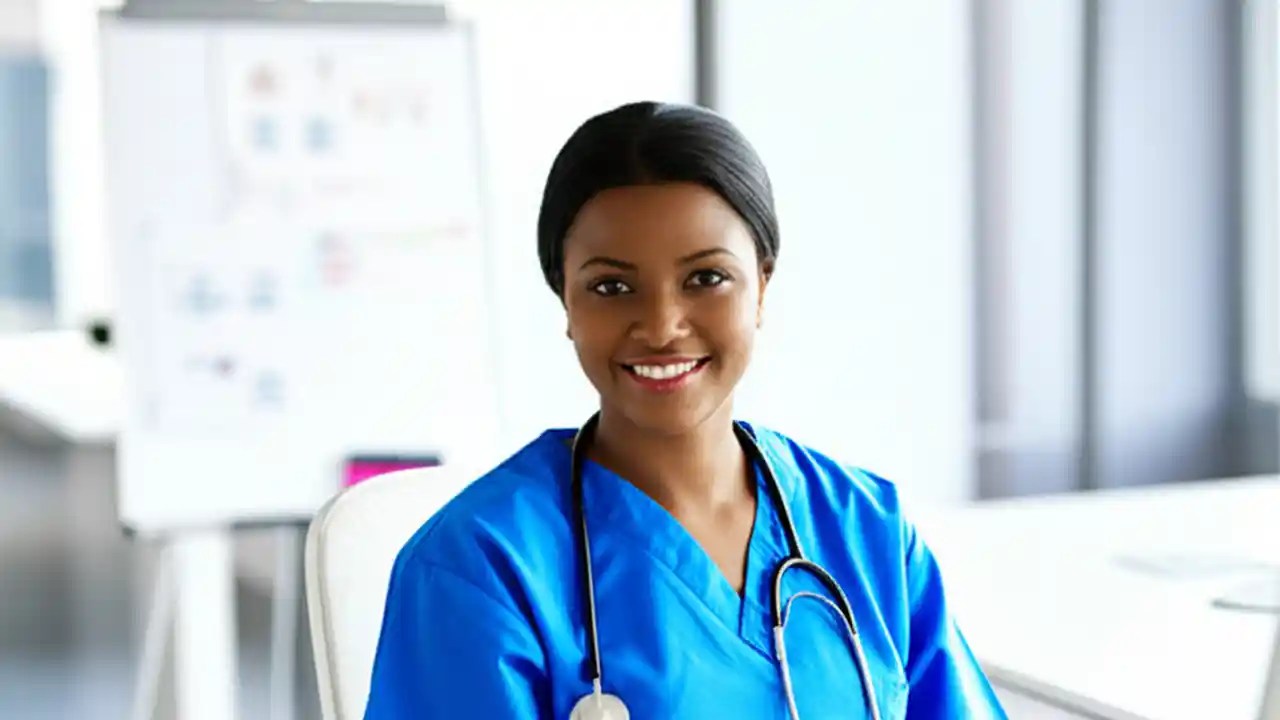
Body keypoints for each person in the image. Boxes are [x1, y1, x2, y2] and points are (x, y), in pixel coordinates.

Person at [363, 101, 1007, 719]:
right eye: (612, 287)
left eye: (705, 278)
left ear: (763, 285)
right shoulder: (478, 569)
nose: (662, 326)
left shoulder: (868, 532)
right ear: (566, 302)